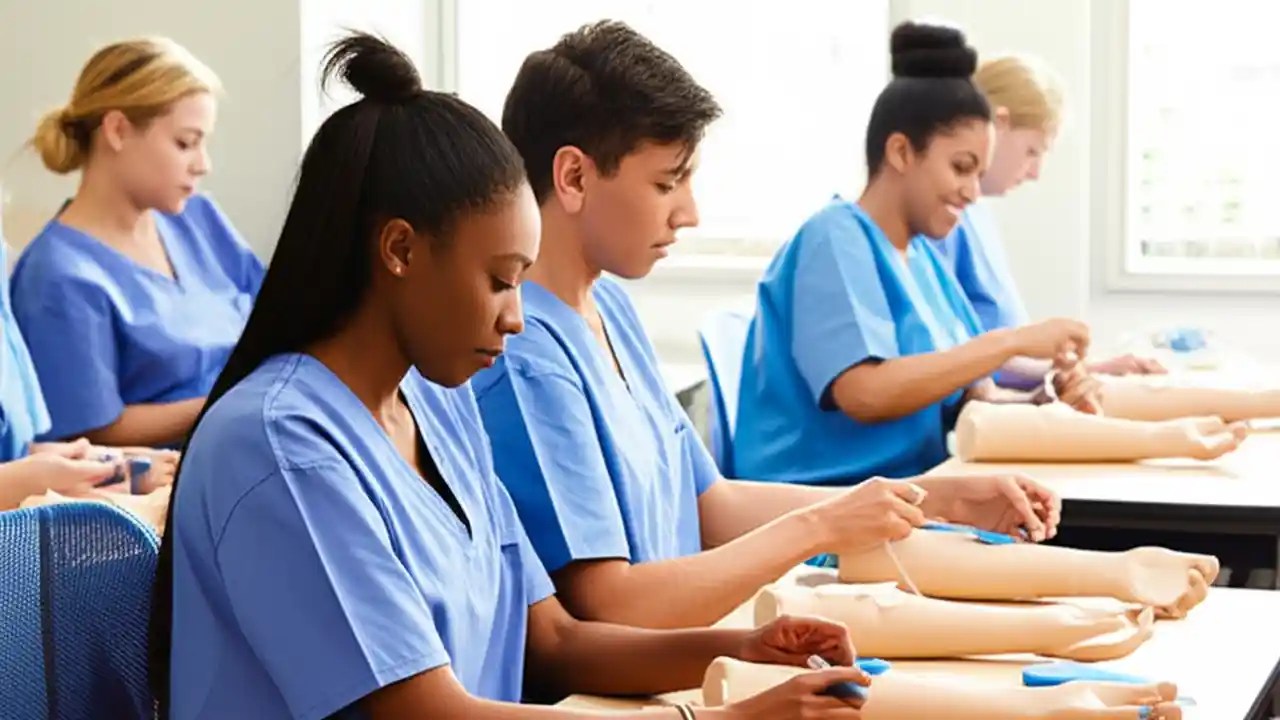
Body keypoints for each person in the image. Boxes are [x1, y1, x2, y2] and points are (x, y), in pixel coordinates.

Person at [150, 33, 871, 720]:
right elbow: (426, 712)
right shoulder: (281, 446)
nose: (517, 318)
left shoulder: (438, 409)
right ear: (400, 249)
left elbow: (555, 641)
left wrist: (740, 649)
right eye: (500, 281)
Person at [473, 19, 1061, 631]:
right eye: (667, 183)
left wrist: (936, 498)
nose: (689, 213)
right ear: (574, 177)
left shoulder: (610, 308)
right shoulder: (527, 357)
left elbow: (713, 505)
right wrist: (821, 527)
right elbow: (614, 607)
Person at [733, 22, 1098, 488]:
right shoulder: (832, 240)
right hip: (825, 502)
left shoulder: (923, 260)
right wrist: (1011, 342)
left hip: (912, 493)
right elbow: (865, 394)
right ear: (902, 152)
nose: (972, 193)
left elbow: (974, 400)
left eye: (979, 174)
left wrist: (1046, 403)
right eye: (961, 168)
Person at [11, 37, 264, 448]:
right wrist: (232, 403)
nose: (203, 164)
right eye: (185, 143)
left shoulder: (200, 220)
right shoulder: (57, 278)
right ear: (117, 130)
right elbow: (89, 432)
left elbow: (274, 314)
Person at [936, 53, 1164, 384]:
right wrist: (1070, 374)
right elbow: (958, 359)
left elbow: (1001, 349)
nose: (1035, 173)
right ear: (997, 125)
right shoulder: (941, 219)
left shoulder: (976, 215)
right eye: (1032, 151)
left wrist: (1088, 369)